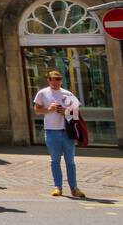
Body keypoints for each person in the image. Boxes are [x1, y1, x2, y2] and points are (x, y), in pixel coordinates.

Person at [33, 69, 87, 198]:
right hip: (51, 131)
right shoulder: (42, 93)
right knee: (55, 160)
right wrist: (49, 109)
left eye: (59, 79)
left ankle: (74, 188)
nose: (57, 82)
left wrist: (66, 112)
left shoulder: (67, 93)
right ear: (49, 80)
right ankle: (58, 187)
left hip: (66, 132)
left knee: (70, 161)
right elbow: (37, 111)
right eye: (54, 79)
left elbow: (76, 114)